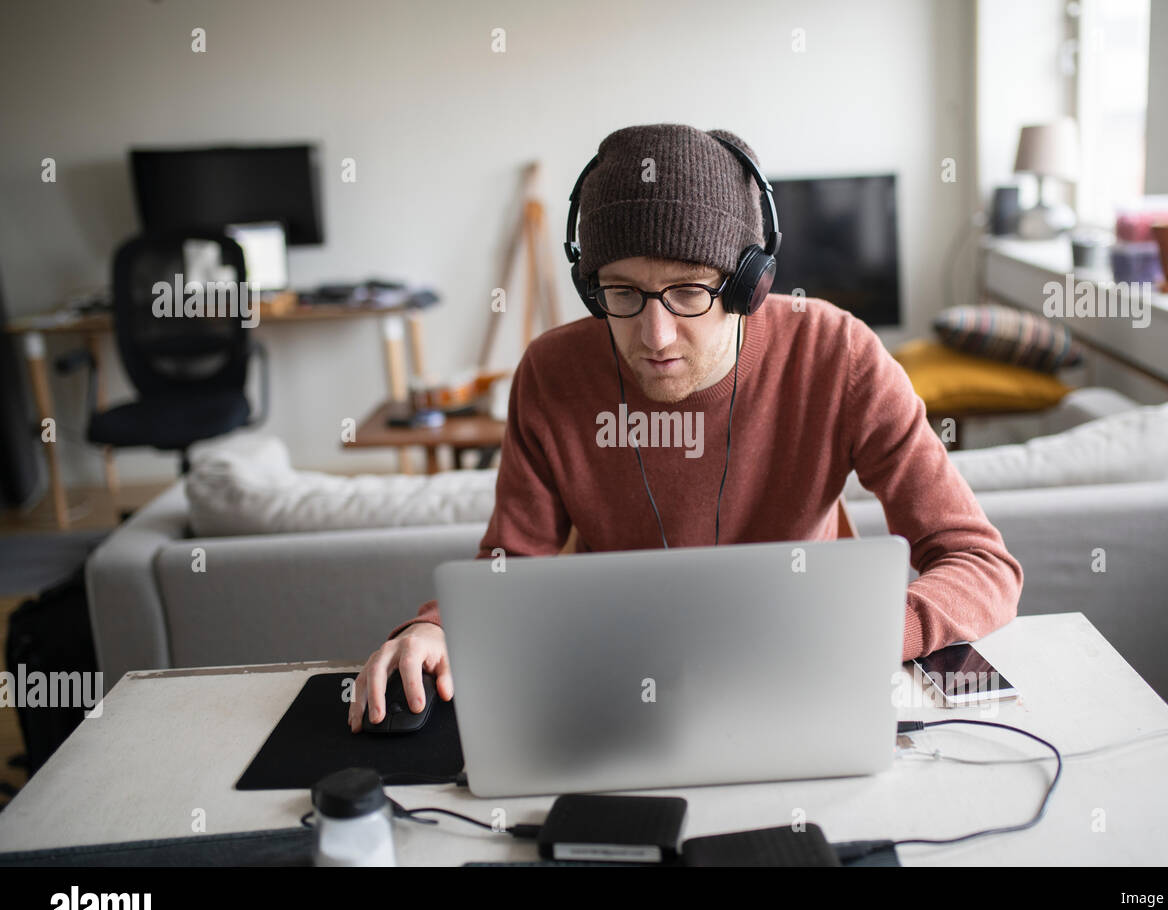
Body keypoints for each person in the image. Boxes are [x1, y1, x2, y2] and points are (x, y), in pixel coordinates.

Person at [348, 123, 1022, 732]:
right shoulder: (552, 373)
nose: (654, 335)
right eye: (622, 294)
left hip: (804, 678)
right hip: (623, 687)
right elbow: (510, 567)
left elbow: (979, 561)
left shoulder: (836, 355)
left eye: (690, 291)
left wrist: (866, 634)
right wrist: (438, 630)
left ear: (748, 285)